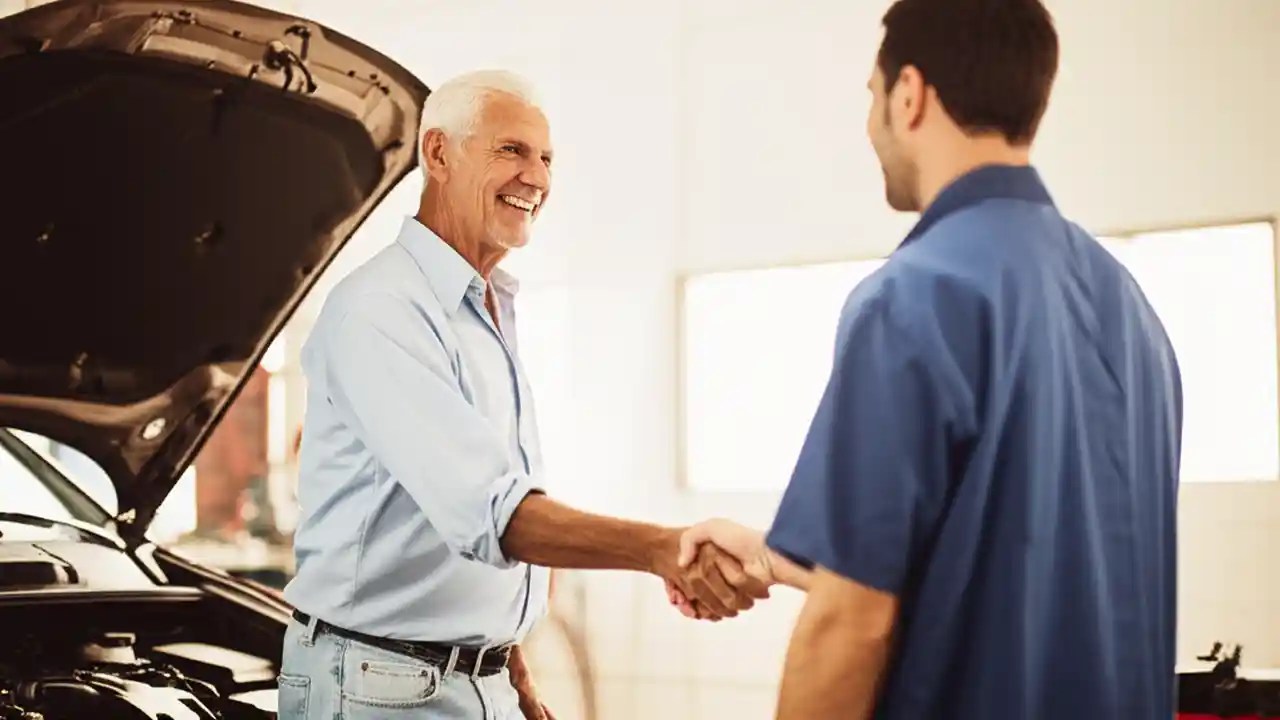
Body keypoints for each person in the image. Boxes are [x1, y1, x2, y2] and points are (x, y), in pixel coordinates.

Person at [675, 1, 1183, 718]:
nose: (870, 124)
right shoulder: (1129, 309)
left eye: (872, 97)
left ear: (909, 94)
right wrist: (767, 553)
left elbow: (849, 625)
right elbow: (1004, 561)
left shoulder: (917, 295)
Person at [279, 70, 766, 720]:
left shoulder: (485, 309)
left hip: (468, 681)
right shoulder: (381, 309)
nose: (535, 177)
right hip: (378, 689)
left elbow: (466, 528)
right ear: (438, 154)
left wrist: (507, 673)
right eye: (511, 150)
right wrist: (663, 549)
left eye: (546, 158)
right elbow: (492, 512)